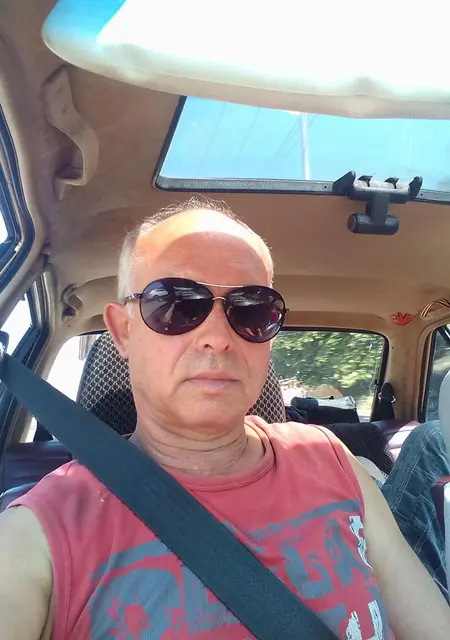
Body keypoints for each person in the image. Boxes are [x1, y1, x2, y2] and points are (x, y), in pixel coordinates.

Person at [1, 197, 450, 640]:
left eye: (252, 310)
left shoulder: (332, 459)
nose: (217, 337)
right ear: (123, 330)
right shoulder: (42, 532)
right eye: (176, 304)